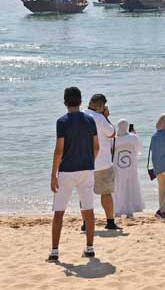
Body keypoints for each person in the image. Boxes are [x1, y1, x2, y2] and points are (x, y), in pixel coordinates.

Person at [49, 87, 99, 262]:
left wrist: (53, 174)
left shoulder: (62, 122)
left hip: (67, 171)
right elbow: (96, 146)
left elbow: (59, 151)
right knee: (88, 210)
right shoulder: (89, 120)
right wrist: (91, 162)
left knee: (59, 212)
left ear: (65, 102)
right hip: (86, 169)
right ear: (80, 101)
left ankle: (55, 251)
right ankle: (90, 248)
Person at [84, 94, 120, 231]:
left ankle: (85, 222)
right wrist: (106, 116)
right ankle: (110, 221)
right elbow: (112, 133)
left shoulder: (81, 115)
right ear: (100, 105)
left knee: (85, 193)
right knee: (106, 193)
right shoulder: (99, 118)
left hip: (84, 162)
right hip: (102, 162)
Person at [113, 120, 144, 218]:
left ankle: (117, 210)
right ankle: (129, 211)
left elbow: (110, 152)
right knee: (130, 187)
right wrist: (134, 134)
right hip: (131, 167)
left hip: (117, 167)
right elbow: (139, 150)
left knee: (118, 188)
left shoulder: (114, 140)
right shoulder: (133, 138)